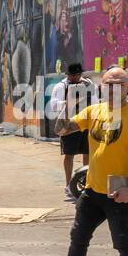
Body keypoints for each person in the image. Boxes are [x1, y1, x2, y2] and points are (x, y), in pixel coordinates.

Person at [38, 66, 128, 256]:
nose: (112, 89)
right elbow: (61, 129)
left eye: (118, 84)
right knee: (78, 237)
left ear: (127, 88)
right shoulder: (94, 111)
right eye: (107, 84)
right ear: (101, 87)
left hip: (118, 188)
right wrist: (69, 104)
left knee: (123, 242)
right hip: (92, 188)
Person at [47, 62, 96, 200]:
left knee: (87, 153)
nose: (75, 77)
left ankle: (86, 181)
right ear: (68, 75)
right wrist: (69, 103)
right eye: (73, 75)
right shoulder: (61, 86)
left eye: (78, 75)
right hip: (68, 124)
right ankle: (68, 184)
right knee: (69, 154)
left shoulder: (88, 85)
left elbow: (95, 101)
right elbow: (53, 105)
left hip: (85, 123)